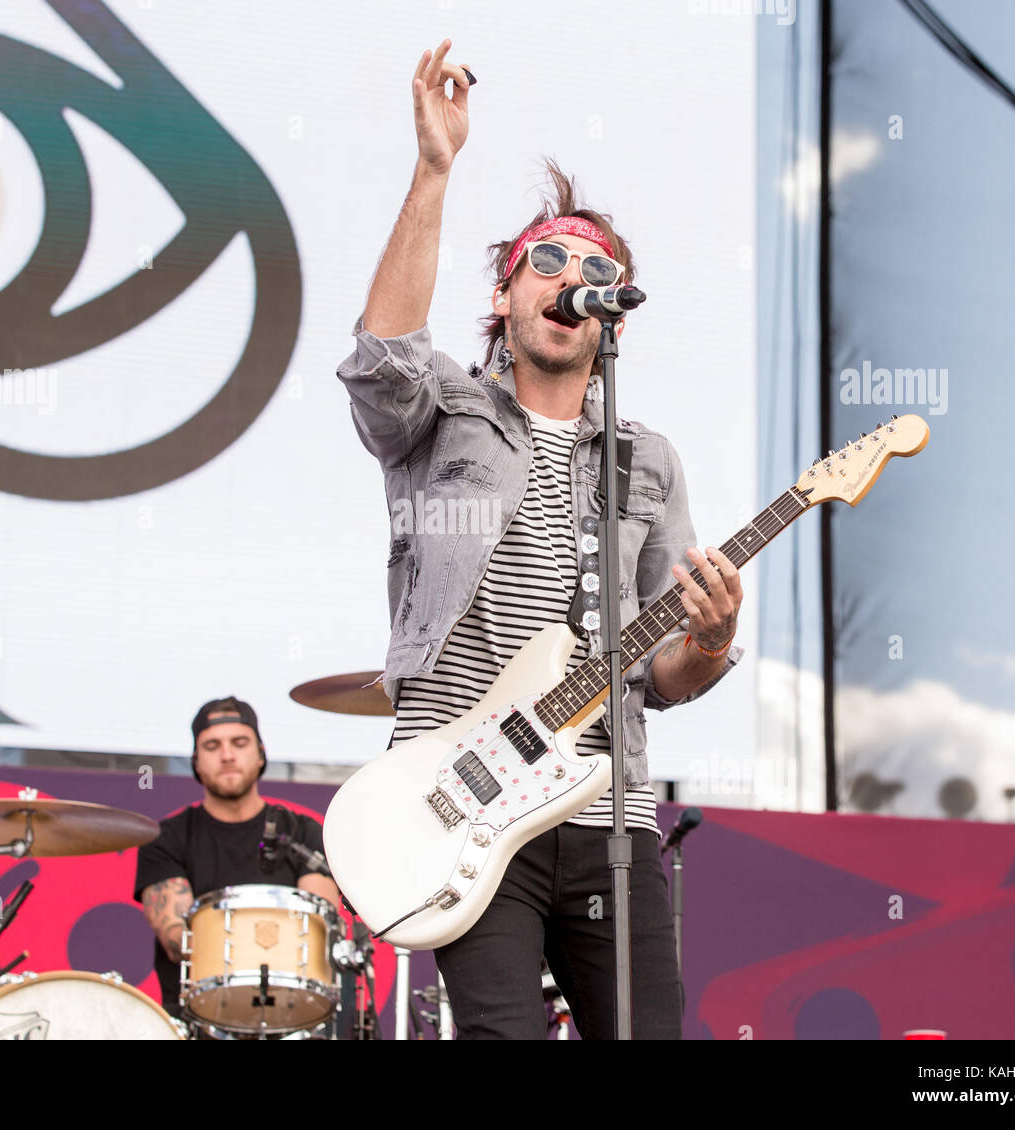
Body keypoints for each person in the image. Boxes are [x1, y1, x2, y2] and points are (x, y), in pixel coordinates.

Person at [335, 40, 744, 1040]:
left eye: (596, 271)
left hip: (604, 811)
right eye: (548, 262)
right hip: (464, 796)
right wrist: (435, 168)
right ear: (505, 295)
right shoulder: (443, 413)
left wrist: (713, 639)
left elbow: (663, 671)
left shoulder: (646, 460)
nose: (572, 280)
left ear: (611, 320)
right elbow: (381, 357)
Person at [133, 696, 341, 1018]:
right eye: (212, 746)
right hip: (197, 1019)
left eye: (239, 743)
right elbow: (177, 940)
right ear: (196, 761)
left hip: (295, 1016)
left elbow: (321, 927)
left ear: (260, 754)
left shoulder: (304, 832)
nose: (227, 755)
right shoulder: (166, 839)